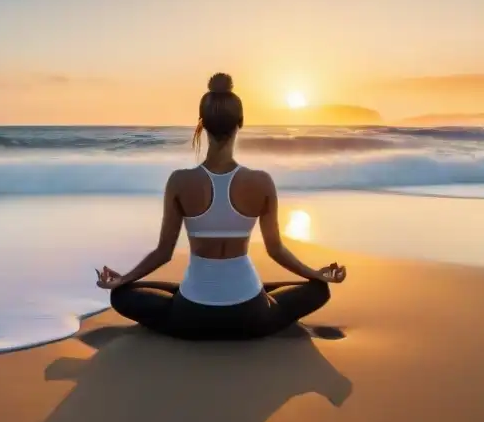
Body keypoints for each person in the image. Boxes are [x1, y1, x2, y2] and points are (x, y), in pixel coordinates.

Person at [95, 72, 346, 340]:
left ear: (201, 124)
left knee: (122, 295)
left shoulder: (180, 181)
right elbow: (276, 250)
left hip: (191, 317)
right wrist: (316, 275)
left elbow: (163, 253)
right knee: (319, 290)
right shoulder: (261, 182)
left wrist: (123, 280)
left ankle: (192, 302)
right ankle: (255, 296)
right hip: (251, 316)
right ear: (241, 122)